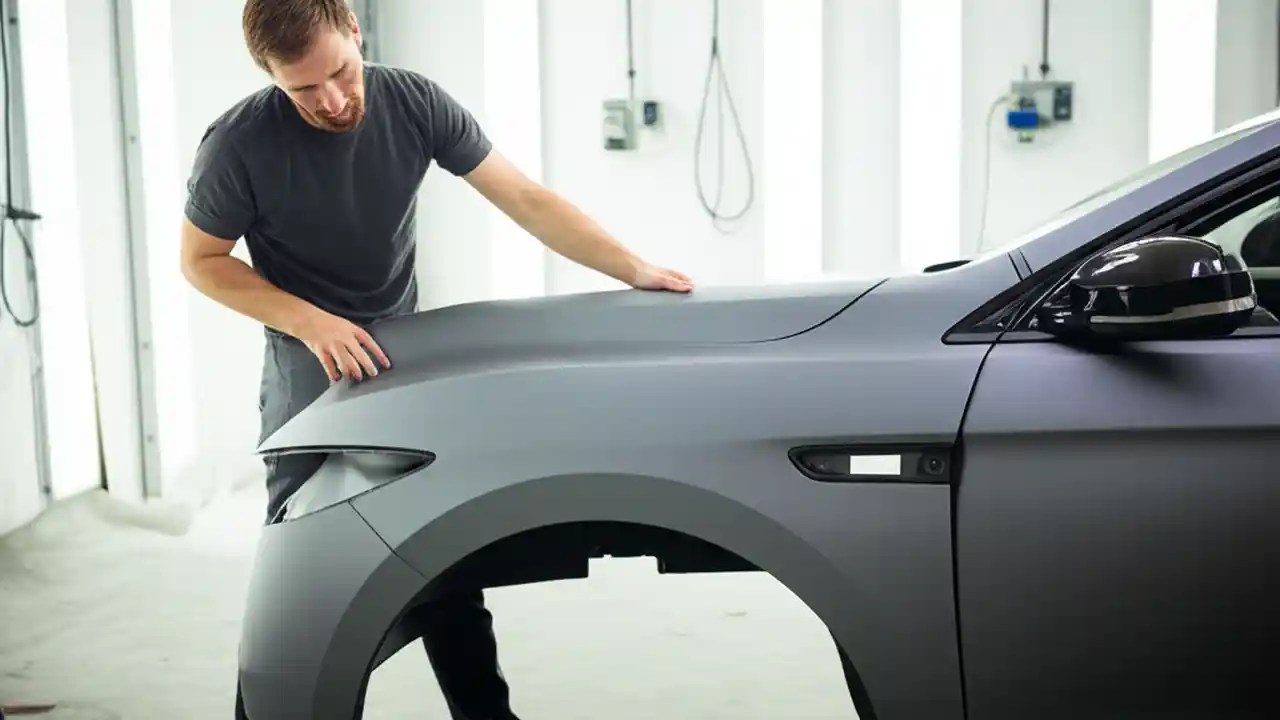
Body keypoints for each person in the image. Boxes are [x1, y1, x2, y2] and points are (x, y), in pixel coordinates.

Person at [179, 1, 694, 717]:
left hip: (402, 356)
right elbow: (202, 262)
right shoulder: (236, 143)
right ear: (269, 78)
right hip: (307, 367)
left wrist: (633, 268)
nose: (330, 100)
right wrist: (310, 322)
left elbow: (523, 197)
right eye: (302, 90)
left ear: (355, 30)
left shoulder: (414, 102)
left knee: (436, 544)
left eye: (339, 73)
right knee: (302, 572)